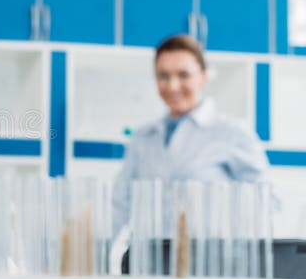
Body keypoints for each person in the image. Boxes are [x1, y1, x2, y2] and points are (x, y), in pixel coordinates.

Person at [112, 34, 272, 234]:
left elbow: (265, 202)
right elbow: (119, 206)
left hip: (209, 261)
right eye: (163, 76)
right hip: (152, 259)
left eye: (183, 75)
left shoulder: (232, 133)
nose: (172, 86)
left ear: (203, 76)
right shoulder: (143, 138)